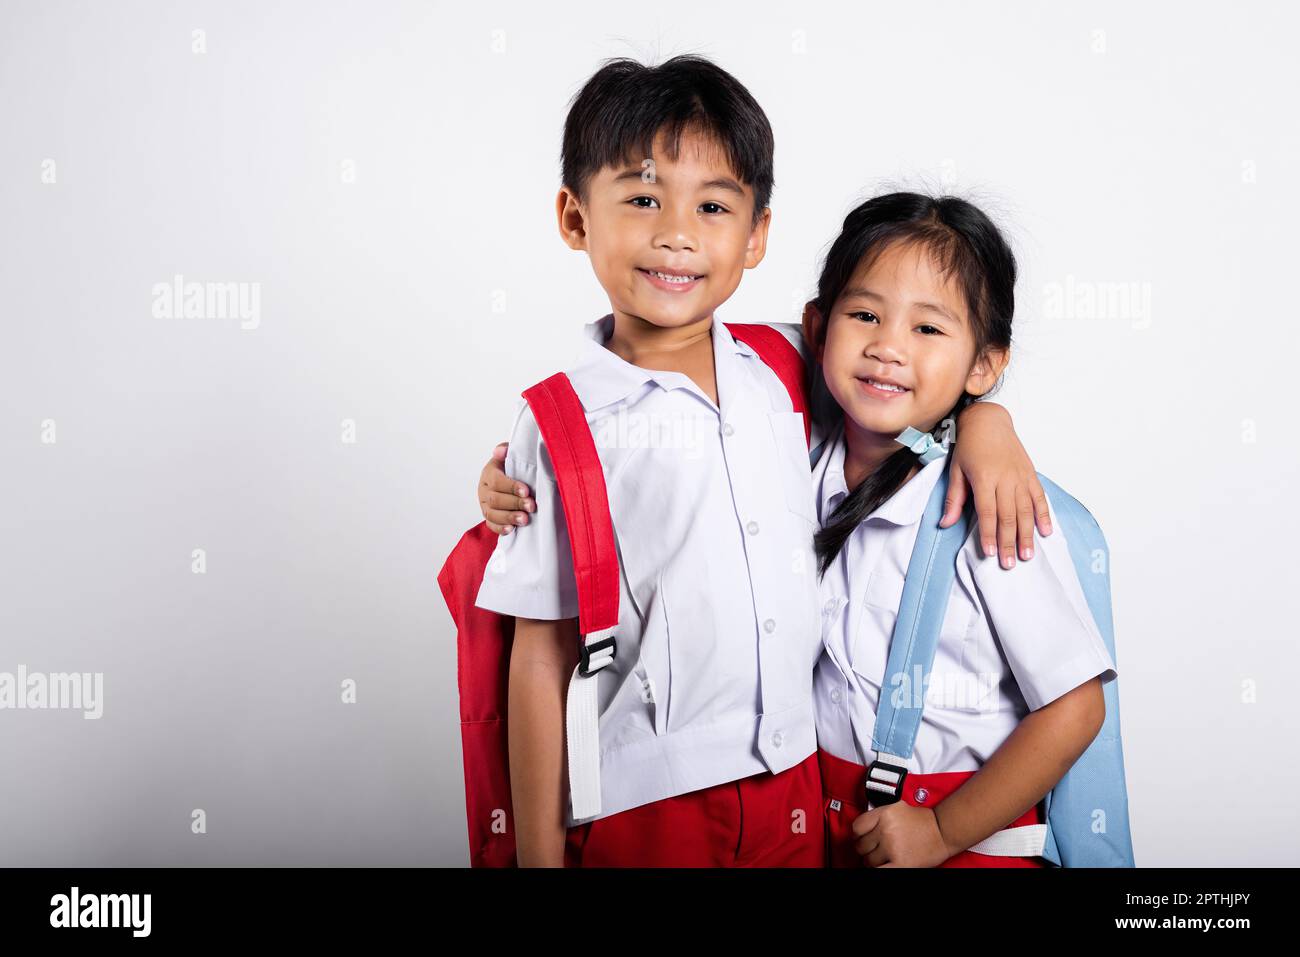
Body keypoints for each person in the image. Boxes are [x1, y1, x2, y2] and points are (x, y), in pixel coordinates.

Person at [471, 54, 1050, 868]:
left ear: (757, 236)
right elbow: (541, 652)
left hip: (798, 788)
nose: (676, 232)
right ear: (575, 217)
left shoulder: (783, 364)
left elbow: (905, 381)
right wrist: (536, 855)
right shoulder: (559, 419)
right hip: (646, 796)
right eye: (641, 199)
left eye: (712, 205)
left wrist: (988, 419)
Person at [803, 192, 1117, 867]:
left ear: (984, 365)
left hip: (963, 841)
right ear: (817, 327)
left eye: (928, 329)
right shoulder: (793, 466)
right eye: (864, 314)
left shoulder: (990, 504)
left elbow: (1076, 706)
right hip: (823, 832)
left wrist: (942, 830)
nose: (887, 346)